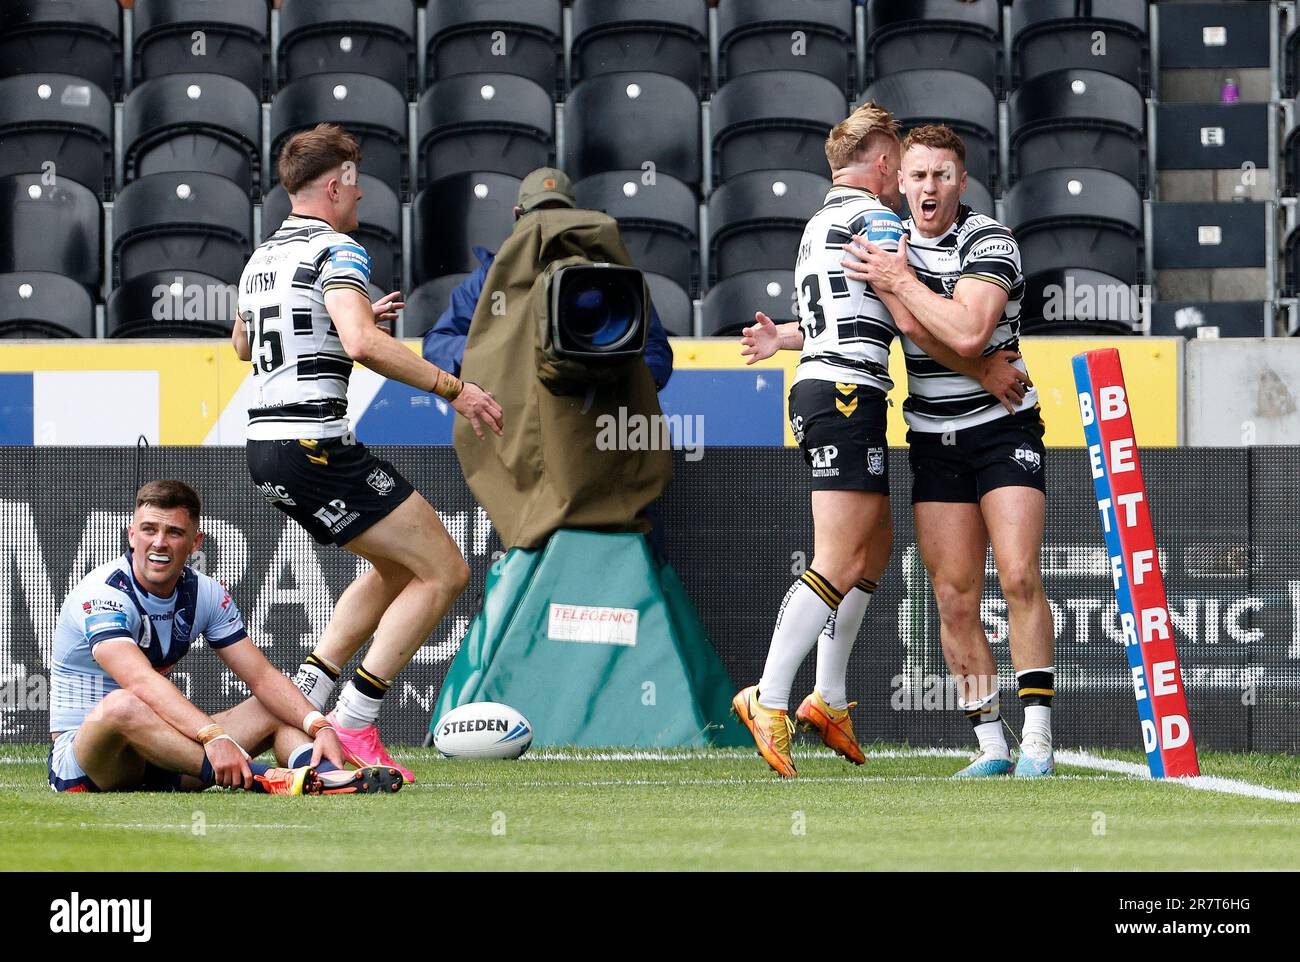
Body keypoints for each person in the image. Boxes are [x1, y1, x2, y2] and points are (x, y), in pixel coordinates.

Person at [735, 110, 1031, 779]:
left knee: (872, 549)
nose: (905, 178)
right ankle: (769, 696)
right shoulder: (876, 219)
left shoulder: (819, 223)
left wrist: (781, 338)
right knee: (839, 559)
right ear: (877, 162)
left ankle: (828, 699)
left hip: (834, 386)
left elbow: (834, 315)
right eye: (898, 163)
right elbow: (908, 315)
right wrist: (981, 366)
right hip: (845, 393)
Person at [232, 123, 503, 784]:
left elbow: (245, 344)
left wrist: (337, 318)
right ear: (334, 185)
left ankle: (303, 708)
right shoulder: (337, 248)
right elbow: (360, 345)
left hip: (266, 449)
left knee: (389, 570)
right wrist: (455, 389)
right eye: (356, 183)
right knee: (445, 572)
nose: (363, 198)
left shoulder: (263, 256)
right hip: (314, 442)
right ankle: (354, 722)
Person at [839, 124, 1055, 777]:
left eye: (941, 176)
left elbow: (967, 327)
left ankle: (1039, 738)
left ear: (961, 182)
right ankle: (991, 745)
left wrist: (905, 286)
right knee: (954, 594)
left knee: (1018, 575)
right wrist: (982, 364)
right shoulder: (885, 242)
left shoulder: (990, 239)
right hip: (934, 436)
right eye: (918, 175)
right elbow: (902, 324)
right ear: (899, 180)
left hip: (1005, 426)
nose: (928, 187)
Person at [48, 480, 400, 795]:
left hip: (167, 754)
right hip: (90, 762)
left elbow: (262, 677)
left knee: (277, 703)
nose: (159, 542)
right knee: (122, 704)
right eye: (148, 529)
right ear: (131, 535)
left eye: (173, 532)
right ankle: (264, 778)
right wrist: (213, 735)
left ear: (195, 541)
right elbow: (139, 683)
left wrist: (320, 725)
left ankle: (327, 776)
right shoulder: (103, 592)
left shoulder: (205, 592)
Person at [421, 167, 674, 392]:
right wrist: (502, 352)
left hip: (591, 413)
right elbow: (437, 346)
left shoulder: (606, 275)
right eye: (539, 214)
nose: (550, 225)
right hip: (515, 415)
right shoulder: (492, 277)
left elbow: (655, 353)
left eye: (559, 214)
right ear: (518, 215)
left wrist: (608, 372)